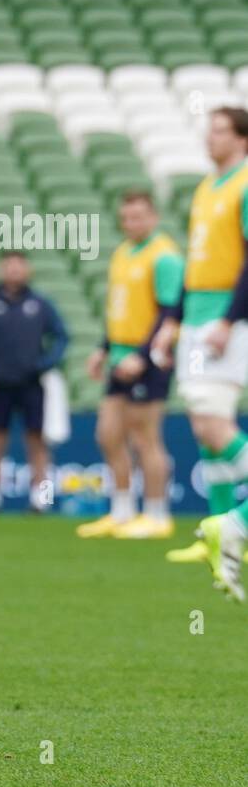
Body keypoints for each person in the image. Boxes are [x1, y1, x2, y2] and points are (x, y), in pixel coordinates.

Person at [151, 106, 248, 600]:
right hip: (197, 319)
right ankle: (221, 529)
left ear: (241, 138)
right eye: (207, 130)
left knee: (214, 423)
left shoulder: (245, 184)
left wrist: (229, 320)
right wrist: (173, 323)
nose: (210, 138)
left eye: (219, 131)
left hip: (227, 319)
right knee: (203, 429)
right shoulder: (206, 188)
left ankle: (233, 524)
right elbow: (197, 262)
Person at [77, 192, 182, 539]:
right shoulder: (122, 253)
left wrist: (143, 353)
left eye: (138, 217)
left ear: (153, 217)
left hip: (150, 357)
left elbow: (169, 310)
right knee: (108, 433)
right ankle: (121, 510)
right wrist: (103, 349)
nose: (132, 223)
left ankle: (156, 514)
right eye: (127, 218)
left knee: (144, 437)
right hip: (120, 354)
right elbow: (120, 309)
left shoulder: (164, 256)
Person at [0, 251, 68, 513]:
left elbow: (61, 337)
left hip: (31, 384)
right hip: (0, 383)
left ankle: (42, 498)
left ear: (28, 270)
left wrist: (44, 364)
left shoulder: (40, 304)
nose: (14, 272)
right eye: (9, 267)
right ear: (1, 270)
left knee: (38, 442)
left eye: (19, 267)